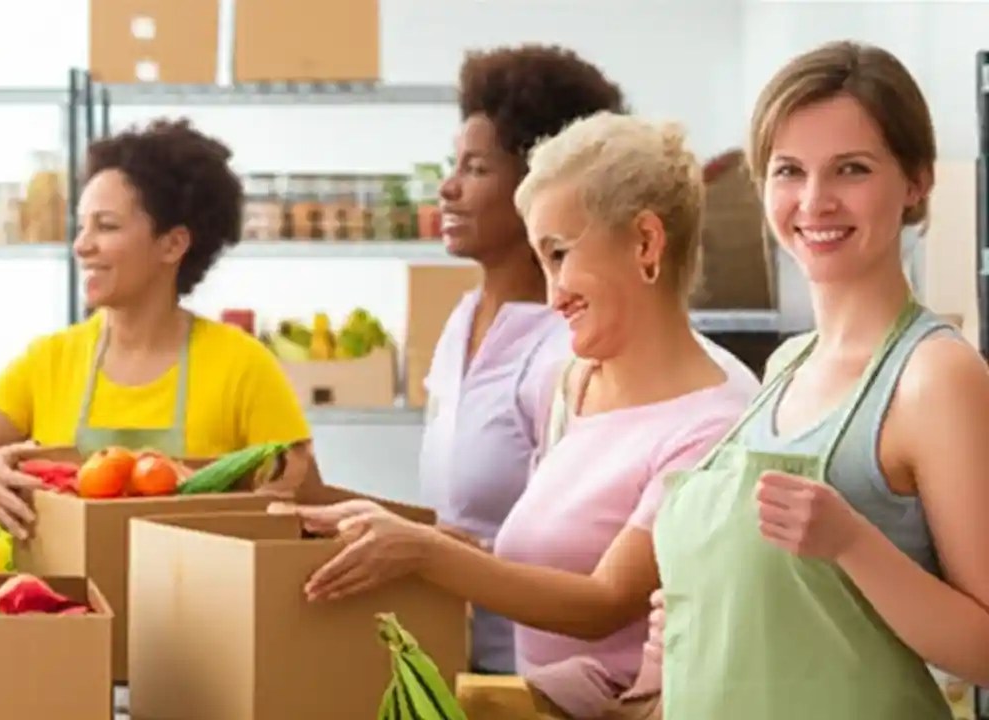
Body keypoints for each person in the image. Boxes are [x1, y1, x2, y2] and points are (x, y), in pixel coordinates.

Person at [275, 111, 759, 718]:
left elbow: (605, 602)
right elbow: (531, 560)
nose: (552, 294)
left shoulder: (715, 422)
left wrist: (424, 552)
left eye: (559, 255)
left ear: (645, 243)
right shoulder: (576, 383)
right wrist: (381, 523)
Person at [652, 41, 989, 718]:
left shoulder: (936, 377)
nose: (814, 201)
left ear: (917, 181)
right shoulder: (786, 365)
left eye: (851, 169)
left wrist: (853, 544)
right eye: (788, 171)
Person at [0, 119, 314, 536]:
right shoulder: (51, 360)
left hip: (200, 596)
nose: (81, 245)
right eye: (81, 225)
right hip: (71, 599)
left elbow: (304, 505)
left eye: (106, 226)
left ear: (172, 244)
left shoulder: (242, 364)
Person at [417, 44, 629, 676]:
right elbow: (449, 519)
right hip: (454, 664)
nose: (447, 187)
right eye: (453, 165)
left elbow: (588, 559)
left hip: (536, 682)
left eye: (476, 169)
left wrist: (431, 554)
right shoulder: (460, 323)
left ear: (540, 186)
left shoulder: (568, 350)